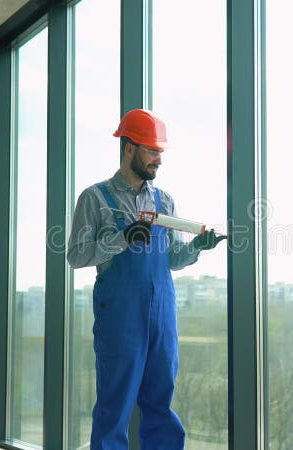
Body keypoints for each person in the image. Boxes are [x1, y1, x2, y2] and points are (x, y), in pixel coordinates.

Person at [66, 109, 224, 450]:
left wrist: (198, 246)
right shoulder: (95, 199)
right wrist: (122, 238)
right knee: (115, 405)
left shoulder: (163, 200)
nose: (158, 160)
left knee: (160, 400)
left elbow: (173, 258)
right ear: (129, 148)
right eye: (153, 151)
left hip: (162, 316)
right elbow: (75, 256)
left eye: (160, 153)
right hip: (120, 317)